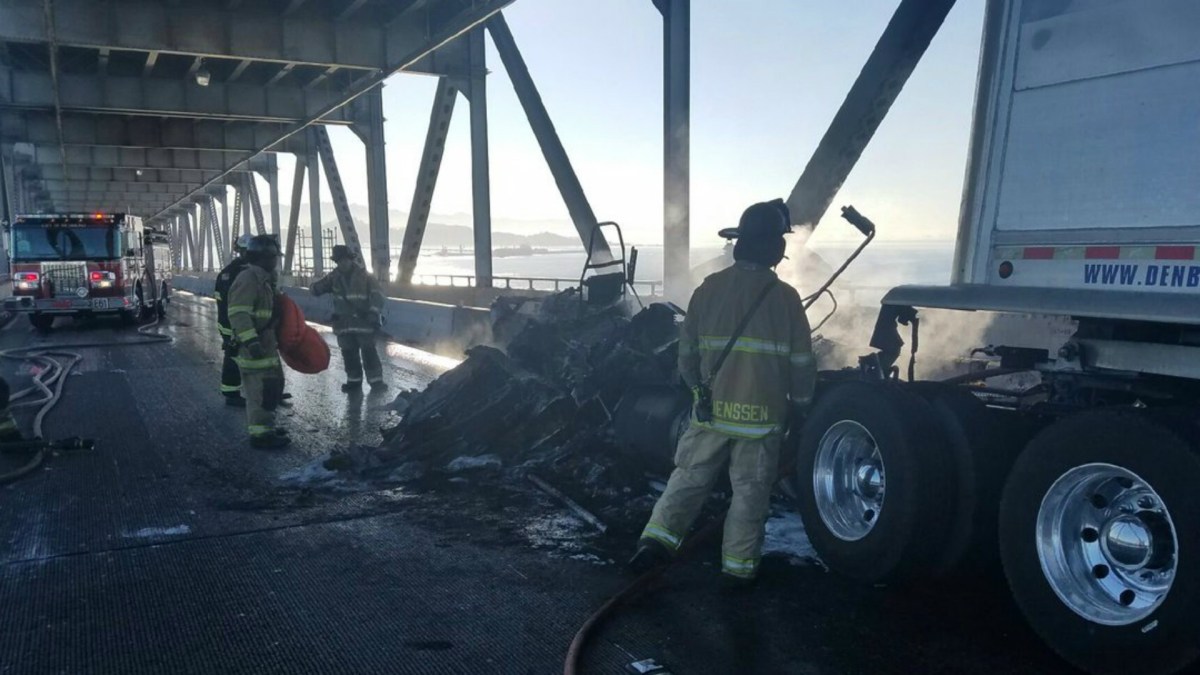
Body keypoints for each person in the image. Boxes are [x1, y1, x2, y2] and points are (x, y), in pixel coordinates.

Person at [629, 199, 817, 587]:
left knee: (688, 478)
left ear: (740, 243)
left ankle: (655, 543)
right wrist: (801, 408)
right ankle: (737, 570)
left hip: (711, 412)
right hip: (762, 420)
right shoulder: (785, 300)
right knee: (749, 493)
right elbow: (801, 364)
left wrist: (699, 391)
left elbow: (686, 354)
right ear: (775, 248)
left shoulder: (710, 289)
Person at [227, 235, 289, 449]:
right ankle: (261, 436)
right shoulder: (248, 279)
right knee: (260, 393)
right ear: (264, 257)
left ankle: (267, 426)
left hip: (266, 345)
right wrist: (251, 341)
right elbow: (238, 313)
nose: (276, 261)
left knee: (272, 387)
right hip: (254, 348)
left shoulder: (265, 279)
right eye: (273, 257)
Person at [310, 245, 388, 393]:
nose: (342, 263)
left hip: (363, 324)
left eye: (344, 260)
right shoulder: (333, 277)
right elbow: (316, 290)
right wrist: (314, 287)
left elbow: (378, 296)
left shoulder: (365, 276)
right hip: (344, 325)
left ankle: (376, 382)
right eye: (339, 261)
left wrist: (373, 313)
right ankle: (354, 382)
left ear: (351, 260)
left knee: (368, 353)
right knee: (349, 355)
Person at [215, 235, 253, 406]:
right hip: (236, 324)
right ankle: (232, 394)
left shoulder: (227, 272)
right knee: (235, 357)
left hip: (227, 323)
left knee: (234, 355)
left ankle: (236, 391)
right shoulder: (244, 273)